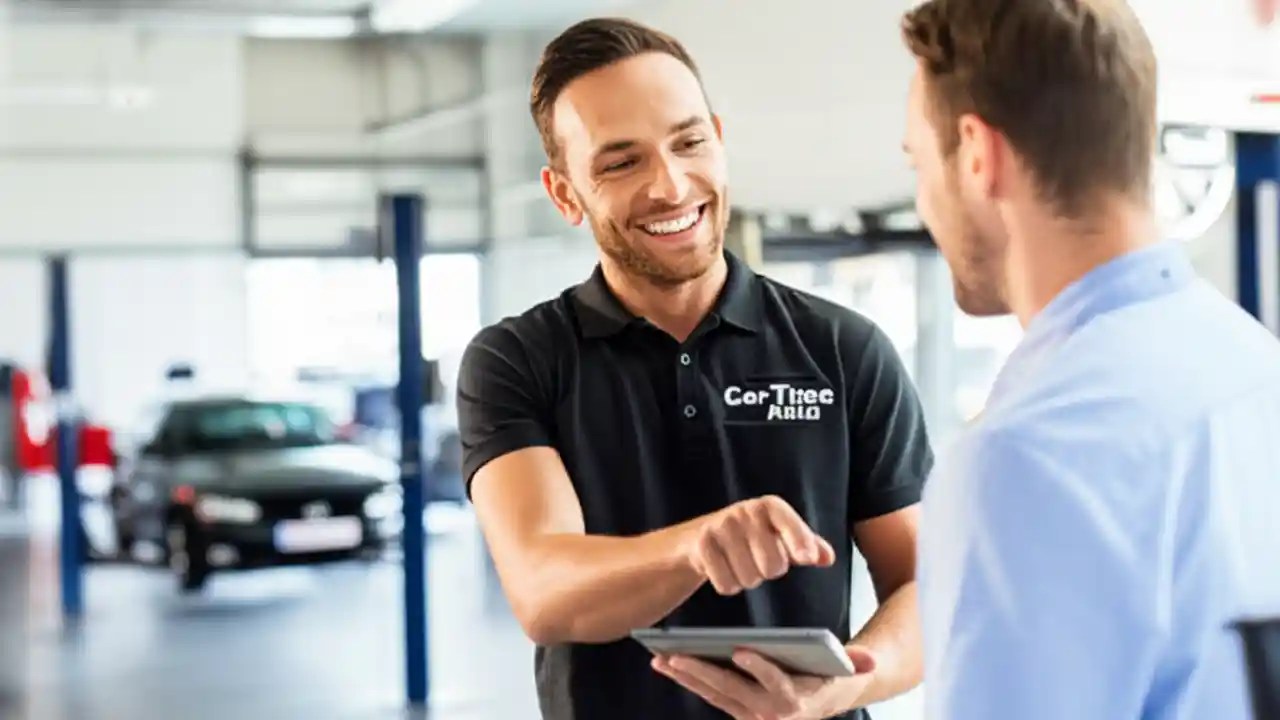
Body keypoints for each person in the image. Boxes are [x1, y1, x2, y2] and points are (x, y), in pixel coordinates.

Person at [456, 17, 933, 720]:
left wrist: (852, 684)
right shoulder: (518, 360)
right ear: (564, 194)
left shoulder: (843, 350)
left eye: (688, 143)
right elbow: (543, 589)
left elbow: (929, 587)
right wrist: (694, 549)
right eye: (621, 163)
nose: (671, 186)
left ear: (718, 136)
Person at [899, 1, 1280, 718]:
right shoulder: (1257, 368)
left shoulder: (1026, 455)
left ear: (978, 156)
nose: (923, 201)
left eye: (920, 162)